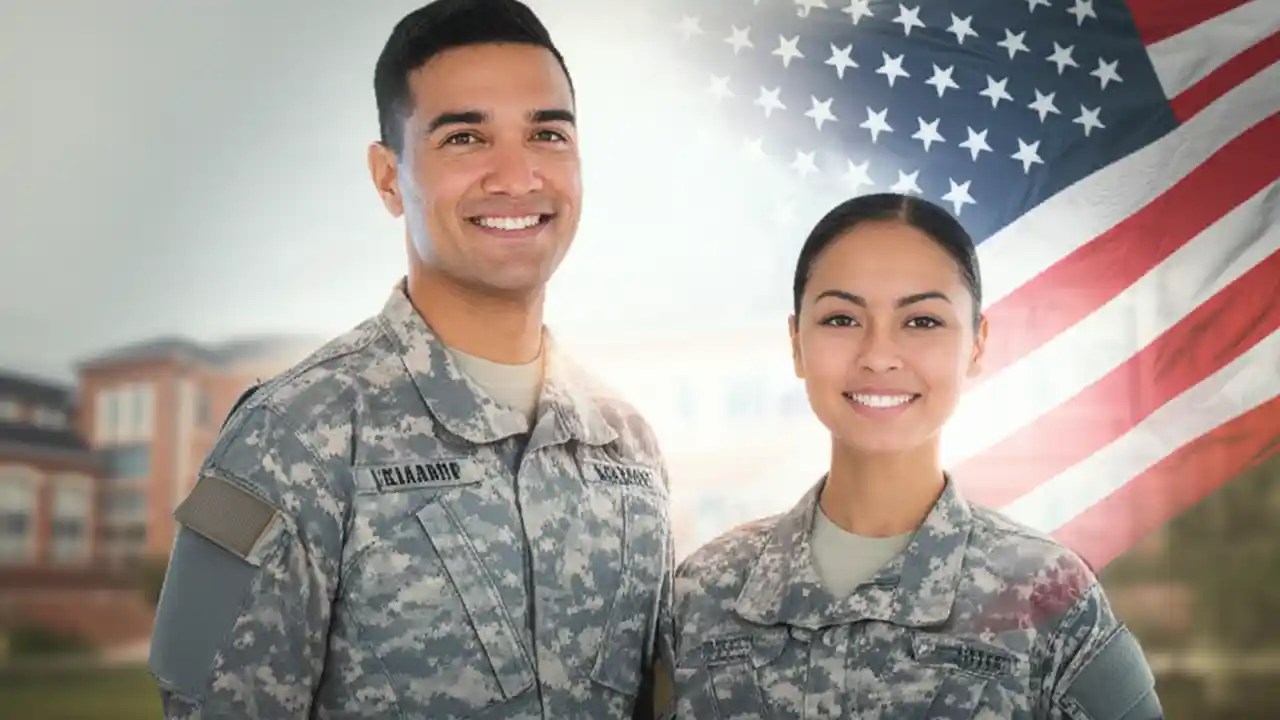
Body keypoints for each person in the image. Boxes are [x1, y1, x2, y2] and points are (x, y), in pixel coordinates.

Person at [148, 1, 673, 717]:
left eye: (547, 134)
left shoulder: (630, 449)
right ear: (389, 177)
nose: (516, 175)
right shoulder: (287, 441)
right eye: (465, 138)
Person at [666, 193, 1162, 719]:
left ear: (976, 344)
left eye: (922, 321)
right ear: (796, 343)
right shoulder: (707, 592)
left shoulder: (1046, 595)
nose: (879, 355)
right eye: (841, 319)